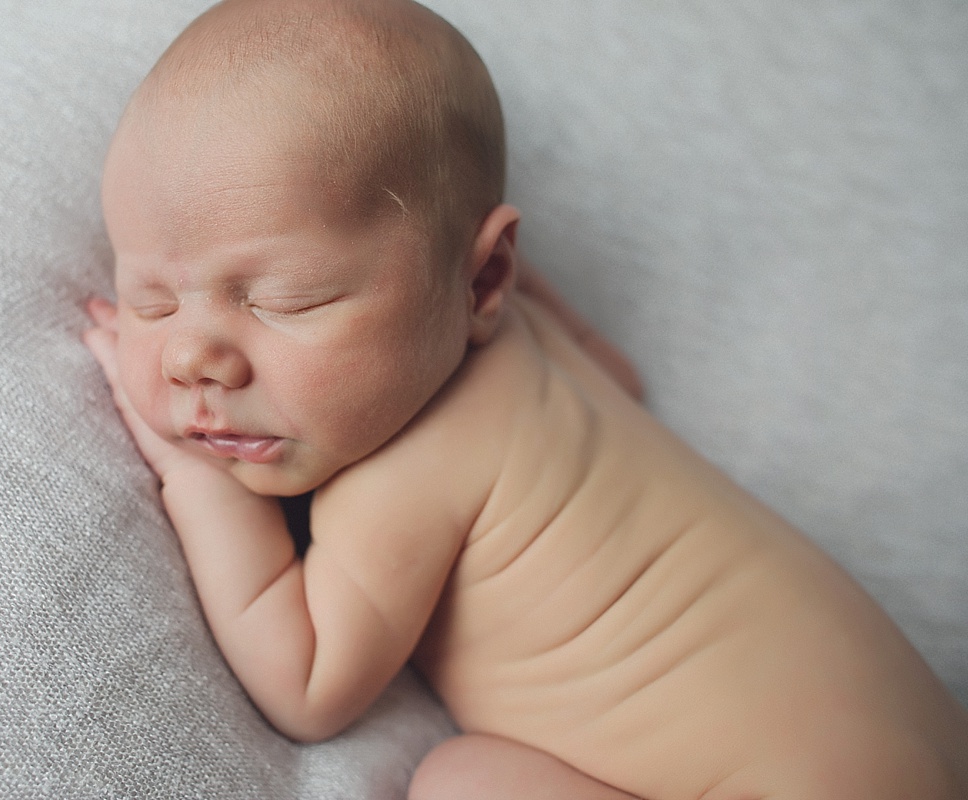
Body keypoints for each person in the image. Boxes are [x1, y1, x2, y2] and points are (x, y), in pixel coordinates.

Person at [82, 0, 968, 797]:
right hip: (912, 721)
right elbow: (620, 378)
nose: (192, 357)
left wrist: (187, 473)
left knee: (461, 782)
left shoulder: (406, 472)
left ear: (483, 277)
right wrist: (480, 288)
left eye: (286, 301)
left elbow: (307, 686)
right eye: (150, 303)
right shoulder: (531, 344)